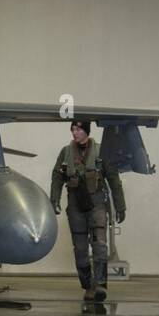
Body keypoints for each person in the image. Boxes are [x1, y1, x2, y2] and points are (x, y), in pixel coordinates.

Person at [50, 120, 126, 302]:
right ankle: (87, 286)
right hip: (75, 204)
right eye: (73, 129)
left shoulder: (102, 152)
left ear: (86, 131)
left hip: (97, 203)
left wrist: (120, 205)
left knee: (100, 245)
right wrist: (54, 199)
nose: (74, 133)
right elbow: (57, 176)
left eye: (78, 129)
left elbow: (114, 180)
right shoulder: (66, 153)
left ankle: (100, 284)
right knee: (80, 248)